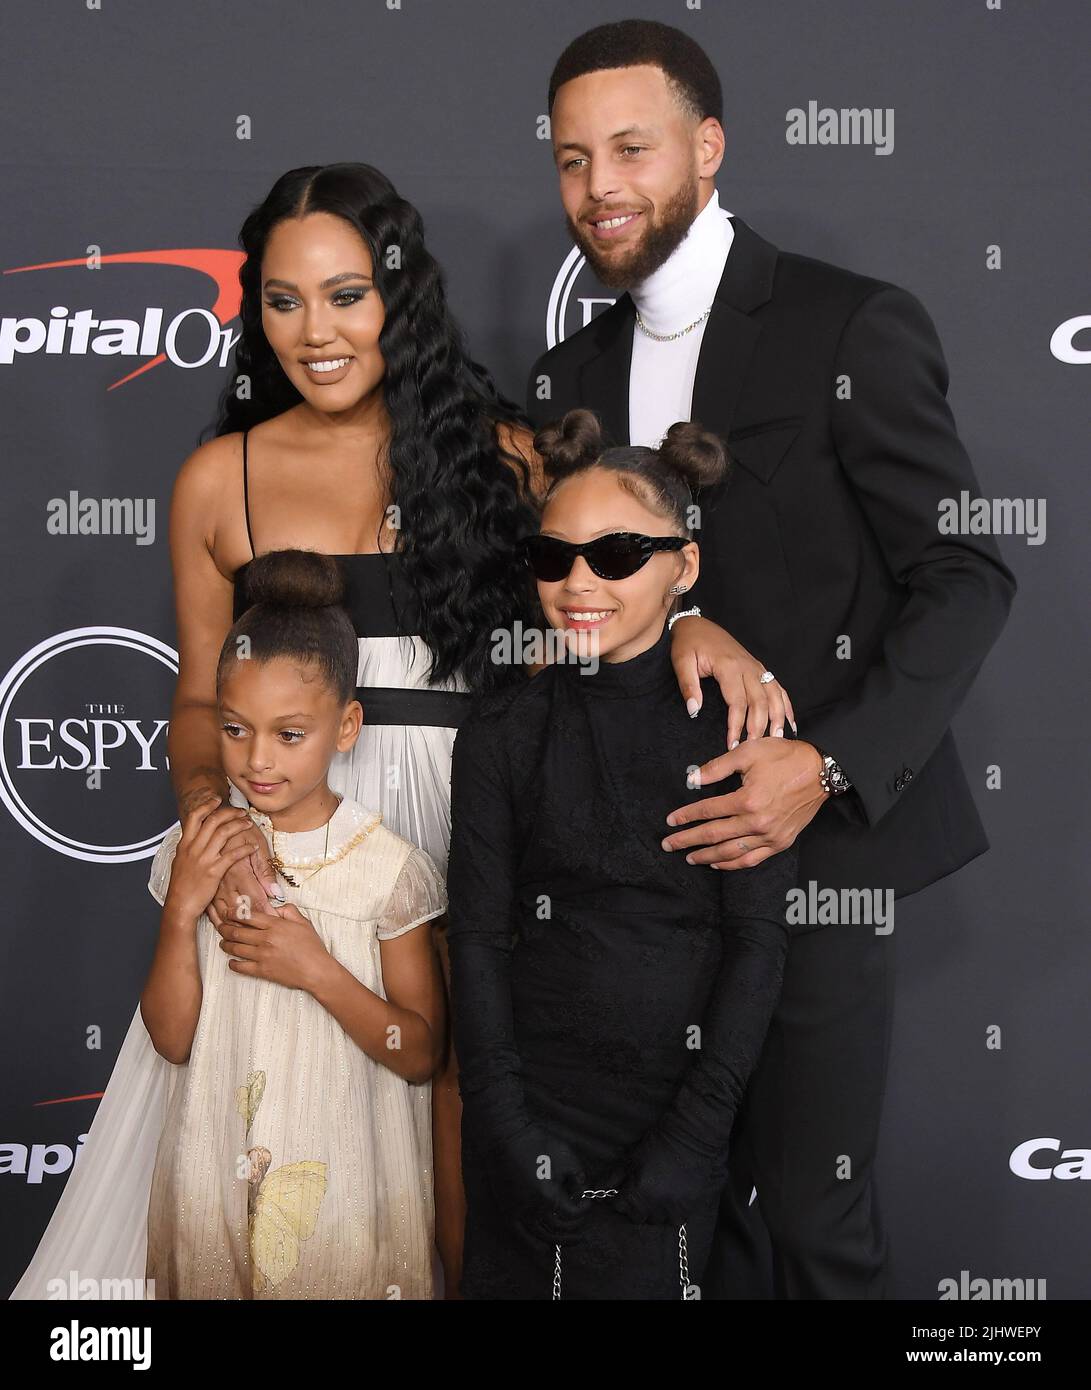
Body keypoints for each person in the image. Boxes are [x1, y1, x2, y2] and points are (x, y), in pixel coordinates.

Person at [527, 20, 1018, 1298]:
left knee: (809, 1237)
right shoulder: (566, 371)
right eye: (573, 159)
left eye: (630, 148)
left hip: (816, 862)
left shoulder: (845, 324)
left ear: (707, 145)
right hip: (629, 877)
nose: (600, 187)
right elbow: (575, 597)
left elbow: (965, 570)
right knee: (672, 1238)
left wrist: (827, 761)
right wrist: (677, 610)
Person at [13, 550, 449, 1299]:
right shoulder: (195, 851)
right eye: (236, 729)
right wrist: (183, 908)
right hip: (209, 1182)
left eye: (289, 734)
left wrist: (314, 967)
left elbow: (418, 1053)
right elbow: (172, 1040)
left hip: (344, 1198)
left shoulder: (389, 870)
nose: (255, 760)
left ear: (346, 727)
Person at [446, 409, 797, 1300]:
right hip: (529, 1111)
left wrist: (700, 1129)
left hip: (673, 1111)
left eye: (613, 556)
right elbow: (478, 940)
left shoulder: (739, 728)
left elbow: (755, 943)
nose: (576, 582)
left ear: (684, 565)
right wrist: (500, 1123)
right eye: (552, 556)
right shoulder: (499, 732)